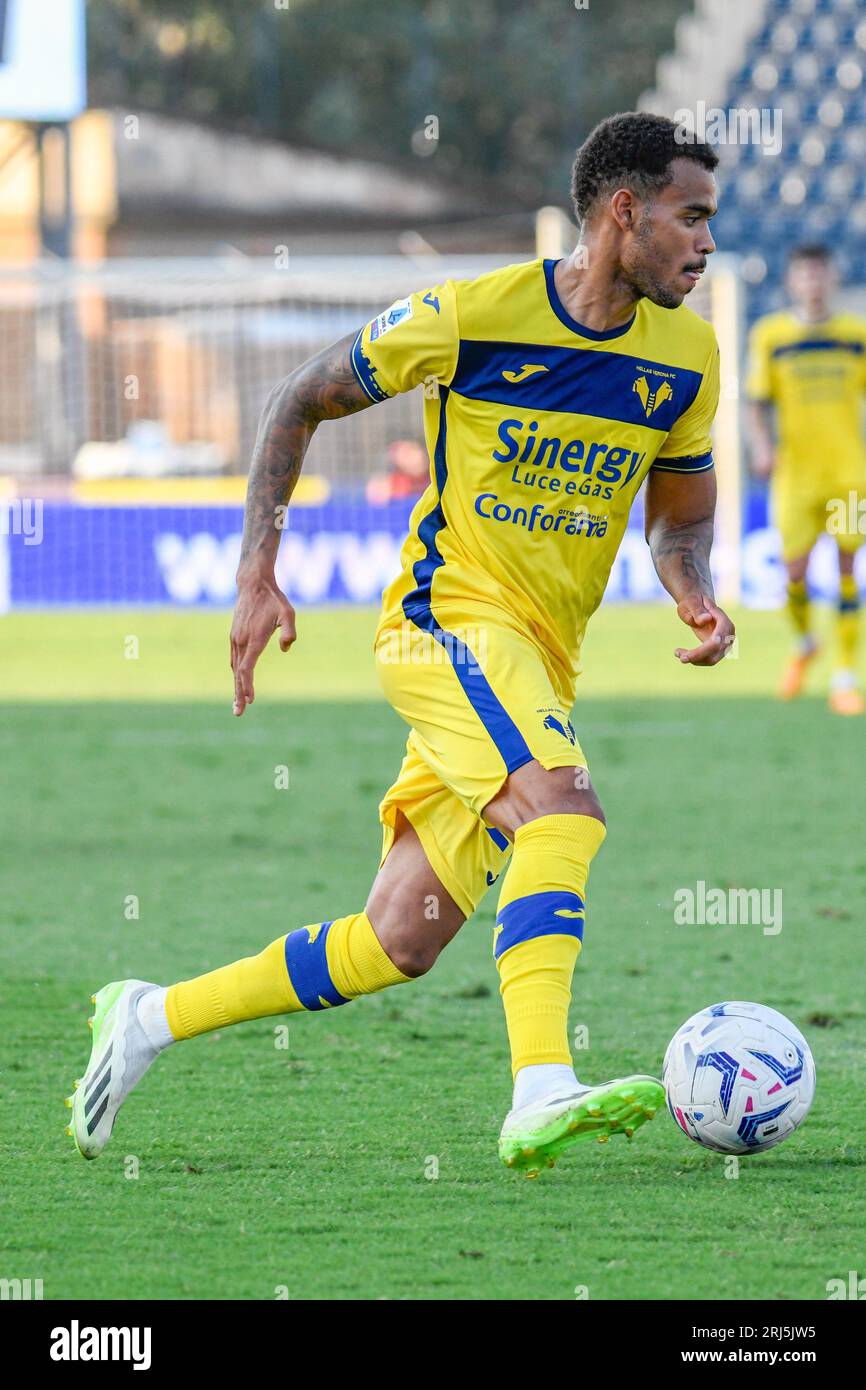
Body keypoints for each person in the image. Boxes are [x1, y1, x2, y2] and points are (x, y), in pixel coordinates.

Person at [68, 112, 734, 1178]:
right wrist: (255, 571)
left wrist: (691, 591)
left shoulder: (688, 355)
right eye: (689, 217)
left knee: (399, 939)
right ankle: (537, 1088)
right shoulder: (475, 315)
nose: (706, 244)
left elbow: (679, 516)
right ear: (624, 211)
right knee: (560, 809)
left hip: (538, 660)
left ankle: (147, 1016)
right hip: (444, 629)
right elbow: (300, 400)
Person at [747, 245, 866, 714]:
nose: (813, 283)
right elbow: (757, 400)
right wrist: (761, 446)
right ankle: (804, 644)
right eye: (805, 275)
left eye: (821, 274)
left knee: (846, 572)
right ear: (792, 282)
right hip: (795, 477)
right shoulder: (770, 335)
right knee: (793, 576)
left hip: (848, 475)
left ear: (832, 279)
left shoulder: (855, 334)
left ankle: (844, 677)